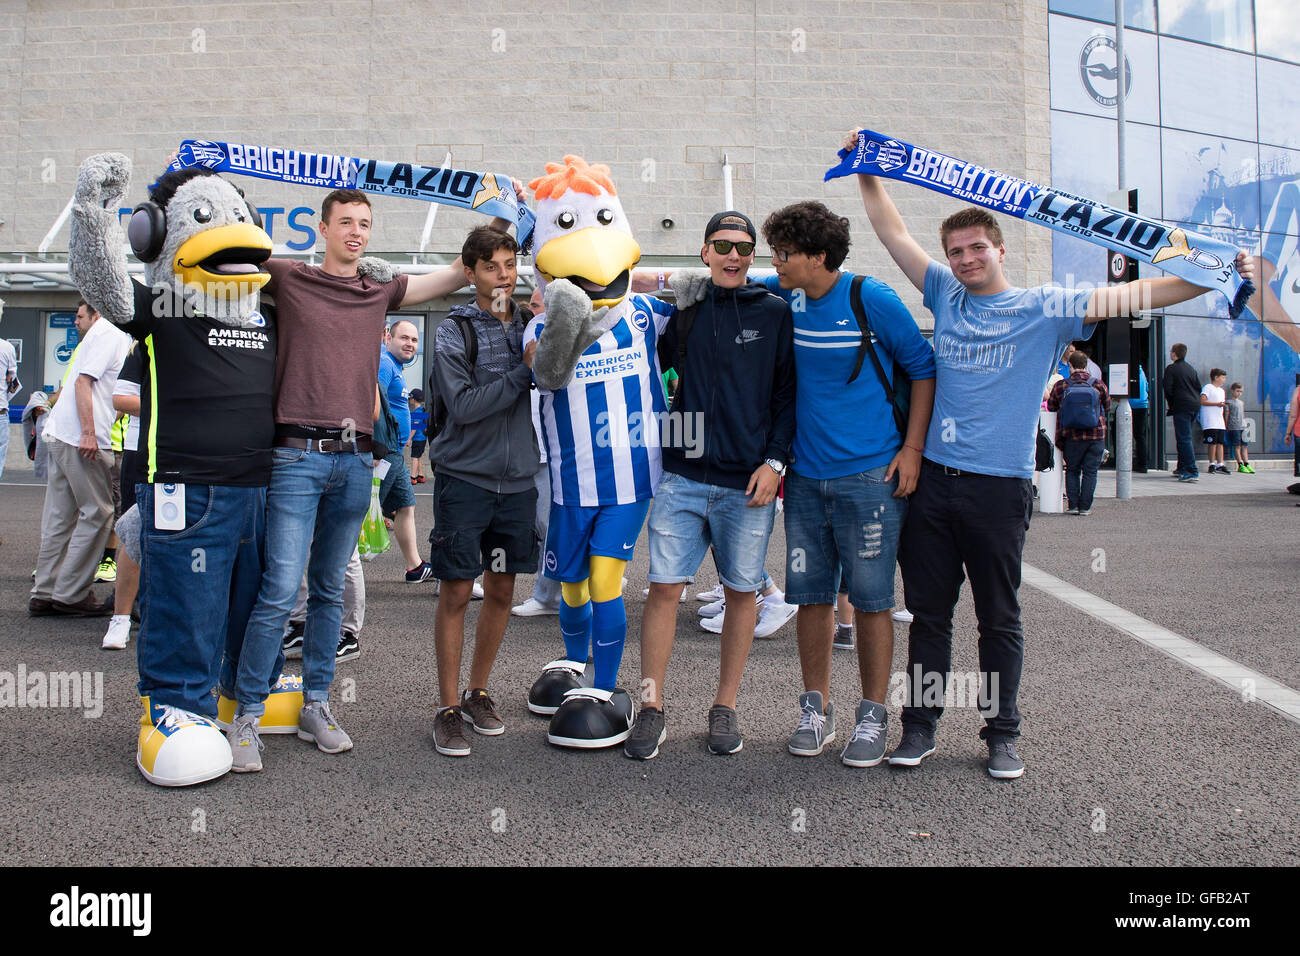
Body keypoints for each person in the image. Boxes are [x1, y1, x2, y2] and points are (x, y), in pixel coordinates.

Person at [847, 130, 1253, 779]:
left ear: (1000, 249)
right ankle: (918, 728)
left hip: (999, 488)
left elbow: (1139, 296)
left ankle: (1002, 733)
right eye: (955, 251)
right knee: (929, 616)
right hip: (934, 489)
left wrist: (1213, 279)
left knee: (998, 618)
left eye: (976, 247)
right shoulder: (945, 294)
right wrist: (869, 172)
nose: (965, 259)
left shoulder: (1046, 307)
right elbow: (894, 233)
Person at [231, 186, 511, 769]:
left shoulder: (376, 292)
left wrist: (507, 227)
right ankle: (246, 718)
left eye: (364, 223)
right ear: (322, 229)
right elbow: (224, 260)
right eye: (346, 223)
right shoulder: (288, 278)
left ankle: (316, 704)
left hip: (355, 459)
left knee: (330, 589)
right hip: (296, 457)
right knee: (281, 589)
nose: (356, 232)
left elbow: (459, 274)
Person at [744, 199, 937, 770]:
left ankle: (873, 714)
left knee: (874, 602)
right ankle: (815, 710)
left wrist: (912, 451)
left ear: (819, 257)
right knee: (811, 597)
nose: (773, 262)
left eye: (784, 253)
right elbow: (720, 279)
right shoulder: (786, 293)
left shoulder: (868, 298)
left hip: (870, 478)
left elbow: (922, 369)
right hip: (803, 480)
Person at [625, 210, 795, 760]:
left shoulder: (775, 314)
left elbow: (788, 396)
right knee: (665, 591)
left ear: (753, 257)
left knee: (744, 591)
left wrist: (776, 461)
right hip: (682, 474)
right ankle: (650, 706)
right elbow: (622, 307)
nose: (733, 255)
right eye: (722, 245)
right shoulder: (685, 312)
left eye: (744, 248)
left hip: (747, 480)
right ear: (703, 252)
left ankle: (725, 707)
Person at [426, 225, 539, 757]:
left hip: (518, 484)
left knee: (500, 590)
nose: (503, 276)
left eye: (510, 264)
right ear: (469, 272)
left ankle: (478, 692)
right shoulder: (454, 330)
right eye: (491, 266)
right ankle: (447, 707)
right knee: (455, 592)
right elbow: (466, 407)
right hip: (464, 480)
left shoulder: (533, 325)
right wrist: (524, 372)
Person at [29, 300, 129, 617]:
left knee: (60, 518)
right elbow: (84, 381)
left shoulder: (98, 333)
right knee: (99, 512)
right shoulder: (112, 332)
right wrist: (89, 432)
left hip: (60, 433)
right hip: (81, 438)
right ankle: (71, 594)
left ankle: (44, 592)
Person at [512, 287, 563, 619]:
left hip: (550, 453)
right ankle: (551, 593)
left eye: (535, 303)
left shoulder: (553, 341)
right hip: (528, 453)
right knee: (539, 525)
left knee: (548, 525)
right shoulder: (524, 347)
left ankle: (548, 595)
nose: (529, 309)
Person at [378, 318, 435, 583]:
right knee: (360, 512)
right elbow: (372, 398)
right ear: (388, 337)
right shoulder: (384, 363)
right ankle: (337, 568)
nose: (410, 343)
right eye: (404, 338)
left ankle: (414, 567)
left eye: (414, 339)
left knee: (405, 505)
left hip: (394, 452)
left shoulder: (396, 367)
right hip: (383, 452)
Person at [101, 343, 143, 650]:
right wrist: (174, 404)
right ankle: (121, 618)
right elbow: (120, 400)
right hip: (141, 449)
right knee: (134, 533)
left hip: (191, 452)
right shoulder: (143, 346)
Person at [1047, 349, 1111, 515]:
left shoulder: (1061, 385)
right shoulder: (1098, 384)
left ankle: (1073, 505)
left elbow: (1052, 407)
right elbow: (1108, 406)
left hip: (1071, 435)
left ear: (1070, 365)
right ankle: (1085, 508)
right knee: (1090, 472)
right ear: (1086, 366)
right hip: (1095, 435)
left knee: (1073, 470)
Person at [1164, 343, 1202, 482]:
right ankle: (1181, 467)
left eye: (1171, 351)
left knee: (1183, 438)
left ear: (1174, 353)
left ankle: (1192, 470)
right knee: (1185, 437)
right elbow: (1198, 387)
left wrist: (1172, 404)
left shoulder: (1171, 369)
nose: (1170, 353)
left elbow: (1168, 389)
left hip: (1182, 406)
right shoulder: (1190, 369)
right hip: (1194, 405)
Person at [1200, 368, 1229, 474]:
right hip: (1210, 420)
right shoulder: (1208, 387)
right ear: (1216, 377)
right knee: (1212, 443)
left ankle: (1220, 464)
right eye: (1222, 377)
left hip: (1219, 421)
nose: (1224, 380)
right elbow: (1203, 401)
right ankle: (1211, 463)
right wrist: (1216, 404)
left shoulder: (1222, 391)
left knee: (1220, 442)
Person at [1225, 381, 1252, 473]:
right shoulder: (1228, 402)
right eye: (1237, 391)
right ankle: (1240, 464)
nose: (1239, 393)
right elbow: (1227, 414)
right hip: (1234, 427)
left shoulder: (1241, 402)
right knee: (1237, 446)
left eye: (1241, 391)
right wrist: (1226, 425)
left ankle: (1246, 464)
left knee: (1244, 446)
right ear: (1232, 391)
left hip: (1243, 426)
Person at [1130, 364, 1150, 473]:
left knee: (1127, 434)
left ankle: (1138, 463)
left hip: (1132, 405)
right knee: (1140, 435)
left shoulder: (1130, 371)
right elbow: (1146, 387)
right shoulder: (1142, 372)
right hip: (1143, 405)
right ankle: (1143, 463)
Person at [408, 388, 428, 484]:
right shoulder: (423, 410)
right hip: (423, 438)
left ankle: (413, 477)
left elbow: (415, 428)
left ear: (414, 399)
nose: (409, 400)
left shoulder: (417, 412)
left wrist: (409, 439)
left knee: (414, 457)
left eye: (410, 398)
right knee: (419, 456)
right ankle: (421, 475)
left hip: (418, 438)